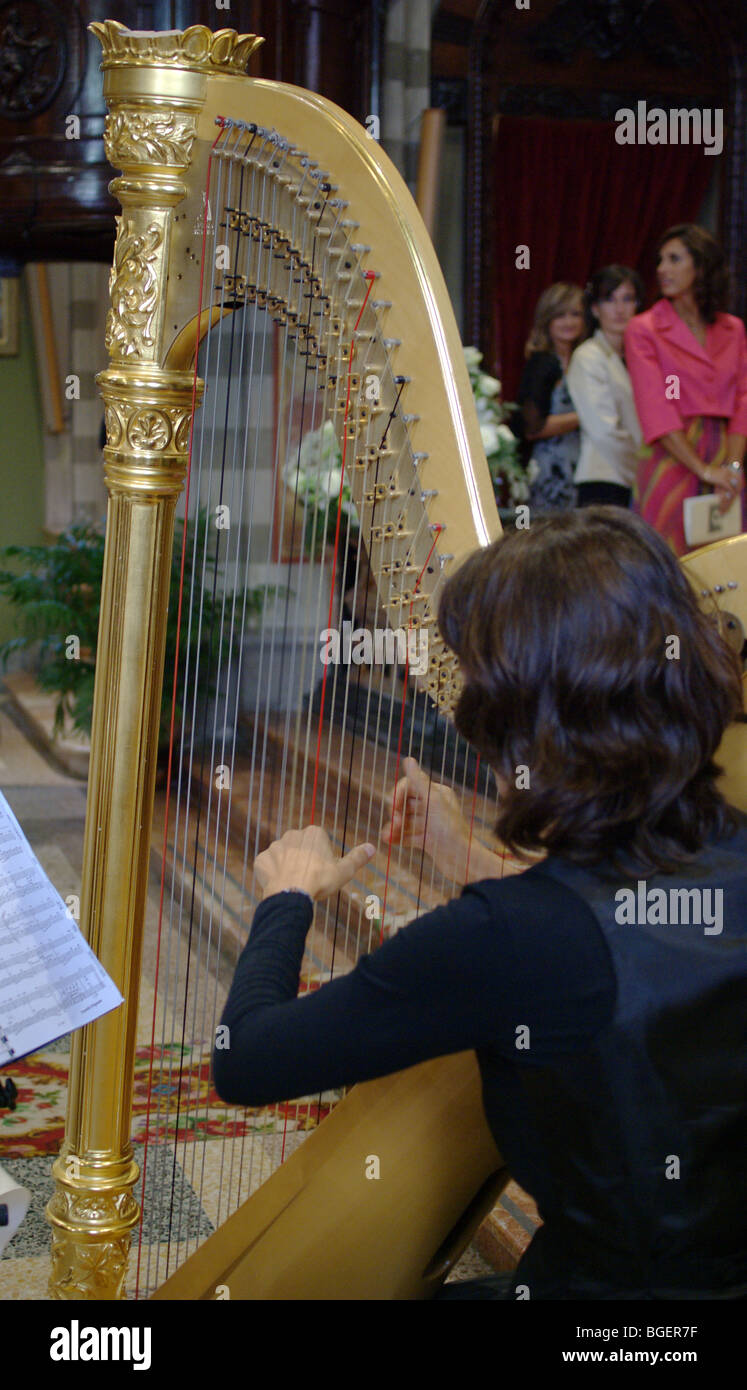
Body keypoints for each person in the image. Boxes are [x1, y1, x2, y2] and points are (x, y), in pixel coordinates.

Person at [213, 508, 747, 1301]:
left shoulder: (502, 941)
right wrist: (467, 858)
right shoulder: (728, 841)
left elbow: (246, 1058)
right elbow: (615, 942)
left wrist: (287, 898)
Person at [625, 223, 747, 555]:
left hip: (726, 450)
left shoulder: (732, 328)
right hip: (673, 454)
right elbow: (656, 408)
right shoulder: (644, 328)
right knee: (670, 561)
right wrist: (703, 469)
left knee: (725, 558)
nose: (662, 269)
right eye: (660, 260)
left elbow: (743, 399)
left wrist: (732, 468)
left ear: (701, 265)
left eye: (674, 259)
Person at [567, 266, 644, 509]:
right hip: (603, 479)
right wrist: (644, 470)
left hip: (629, 482)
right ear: (595, 309)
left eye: (627, 299)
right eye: (609, 300)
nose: (620, 309)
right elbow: (604, 431)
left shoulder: (636, 357)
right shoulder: (588, 355)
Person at [516, 284, 584, 512]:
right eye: (560, 315)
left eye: (575, 314)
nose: (569, 322)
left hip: (584, 466)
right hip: (551, 472)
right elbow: (533, 428)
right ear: (547, 320)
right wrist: (586, 416)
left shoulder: (587, 359)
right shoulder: (542, 363)